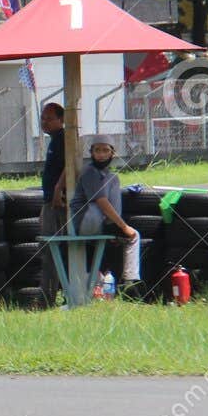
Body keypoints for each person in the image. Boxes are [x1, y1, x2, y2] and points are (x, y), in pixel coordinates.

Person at [70, 136, 139, 294]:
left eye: (105, 150)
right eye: (97, 151)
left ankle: (130, 281)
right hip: (84, 222)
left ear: (112, 154)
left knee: (134, 235)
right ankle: (113, 228)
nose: (101, 155)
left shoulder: (109, 176)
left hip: (99, 223)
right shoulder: (90, 172)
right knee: (98, 206)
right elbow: (101, 202)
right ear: (92, 153)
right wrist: (123, 226)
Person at [37, 102, 66, 303]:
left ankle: (47, 298)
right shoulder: (54, 141)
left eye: (49, 118)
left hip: (58, 203)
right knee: (47, 248)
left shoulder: (65, 139)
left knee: (52, 248)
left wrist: (58, 189)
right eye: (43, 118)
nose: (44, 122)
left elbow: (70, 164)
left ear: (61, 120)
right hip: (48, 201)